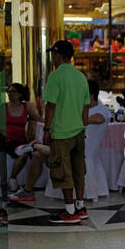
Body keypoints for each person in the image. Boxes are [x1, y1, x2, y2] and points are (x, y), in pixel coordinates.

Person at [42, 40, 90, 224]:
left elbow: (51, 106)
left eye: (53, 55)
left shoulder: (55, 76)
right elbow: (86, 108)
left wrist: (47, 129)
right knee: (79, 170)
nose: (52, 58)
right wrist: (82, 125)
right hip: (79, 131)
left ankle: (70, 211)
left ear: (57, 55)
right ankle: (80, 206)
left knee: (63, 171)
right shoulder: (81, 77)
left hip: (61, 133)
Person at [0, 83, 43, 193]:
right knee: (23, 153)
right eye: (8, 92)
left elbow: (38, 119)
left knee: (32, 152)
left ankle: (24, 182)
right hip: (8, 140)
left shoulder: (27, 106)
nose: (10, 94)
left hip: (23, 140)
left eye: (13, 92)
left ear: (19, 94)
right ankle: (13, 179)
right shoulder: (3, 107)